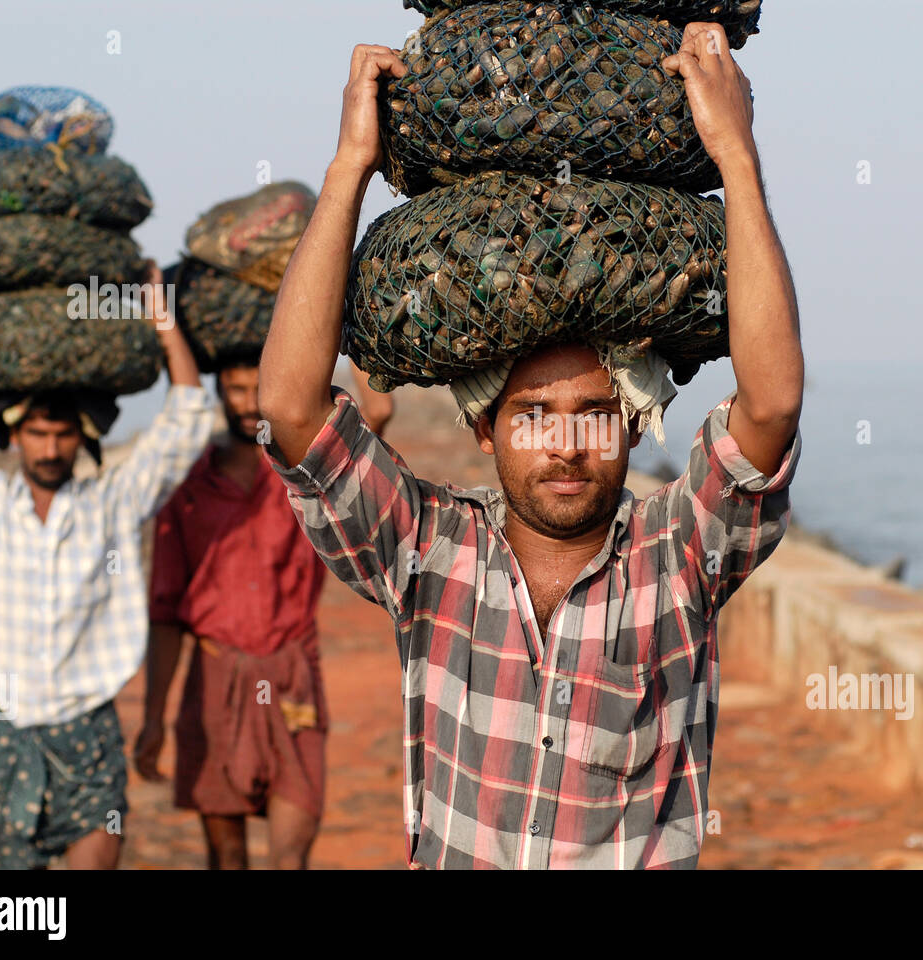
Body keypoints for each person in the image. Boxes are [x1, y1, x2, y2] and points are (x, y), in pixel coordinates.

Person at [258, 24, 804, 869]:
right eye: (533, 415)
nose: (566, 445)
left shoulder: (677, 557)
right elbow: (292, 411)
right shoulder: (429, 552)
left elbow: (771, 405)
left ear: (629, 422)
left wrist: (735, 155)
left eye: (592, 412)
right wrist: (348, 170)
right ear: (485, 428)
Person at [0, 257, 214, 869]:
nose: (50, 449)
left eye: (62, 435)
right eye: (38, 435)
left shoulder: (110, 503)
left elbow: (187, 416)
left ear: (81, 436)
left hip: (87, 729)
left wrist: (160, 317)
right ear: (14, 434)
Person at [135, 349, 392, 869]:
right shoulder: (185, 490)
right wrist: (154, 718)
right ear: (218, 394)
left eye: (259, 389)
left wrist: (342, 331)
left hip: (292, 672)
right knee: (226, 857)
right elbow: (165, 613)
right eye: (235, 389)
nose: (250, 404)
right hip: (213, 680)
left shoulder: (305, 476)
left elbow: (379, 413)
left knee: (289, 855)